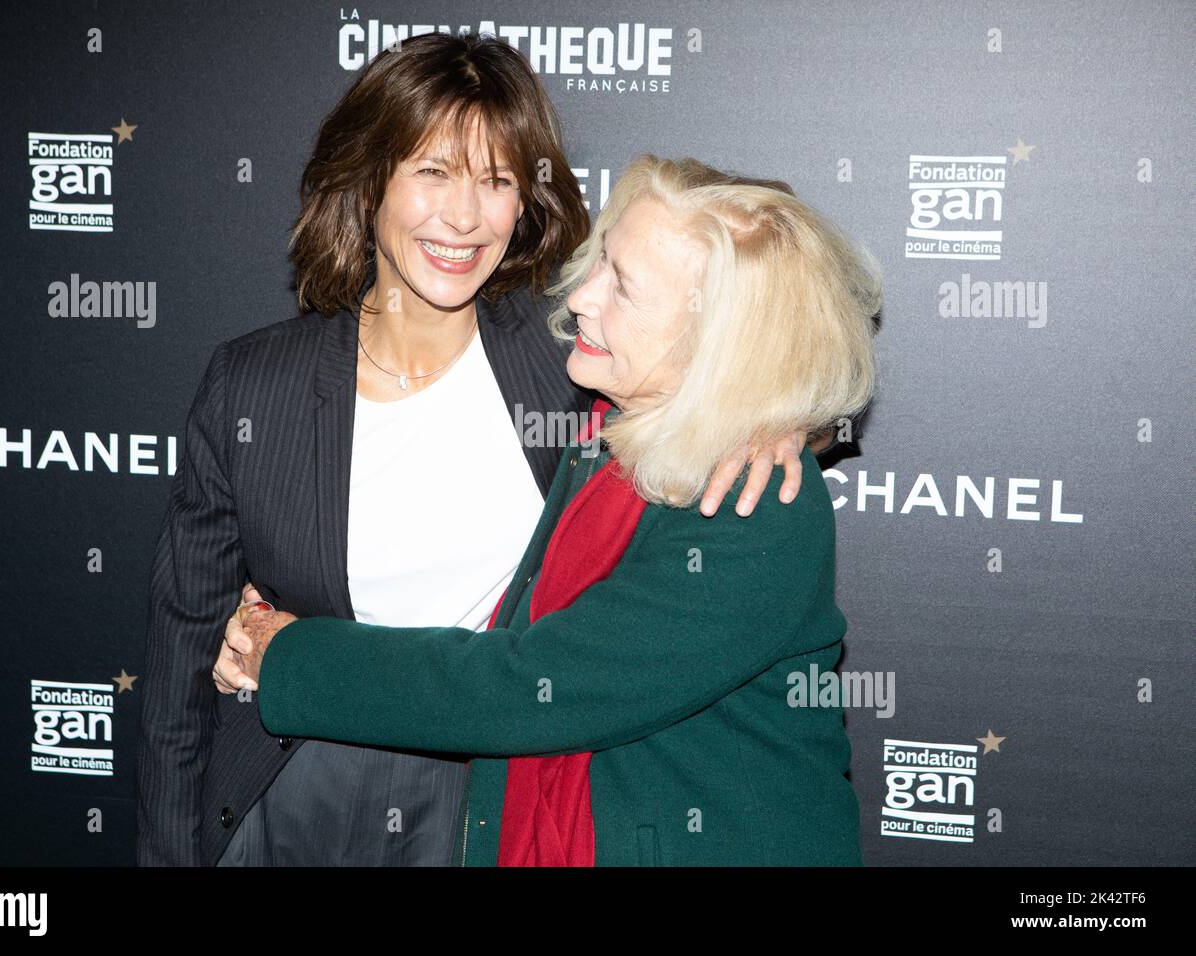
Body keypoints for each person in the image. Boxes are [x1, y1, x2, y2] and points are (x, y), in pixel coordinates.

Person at [136, 33, 827, 867]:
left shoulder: (567, 359)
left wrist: (778, 416)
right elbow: (179, 673)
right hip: (296, 790)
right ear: (367, 181)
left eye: (496, 180)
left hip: (486, 805)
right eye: (432, 172)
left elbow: (743, 328)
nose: (463, 218)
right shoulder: (253, 387)